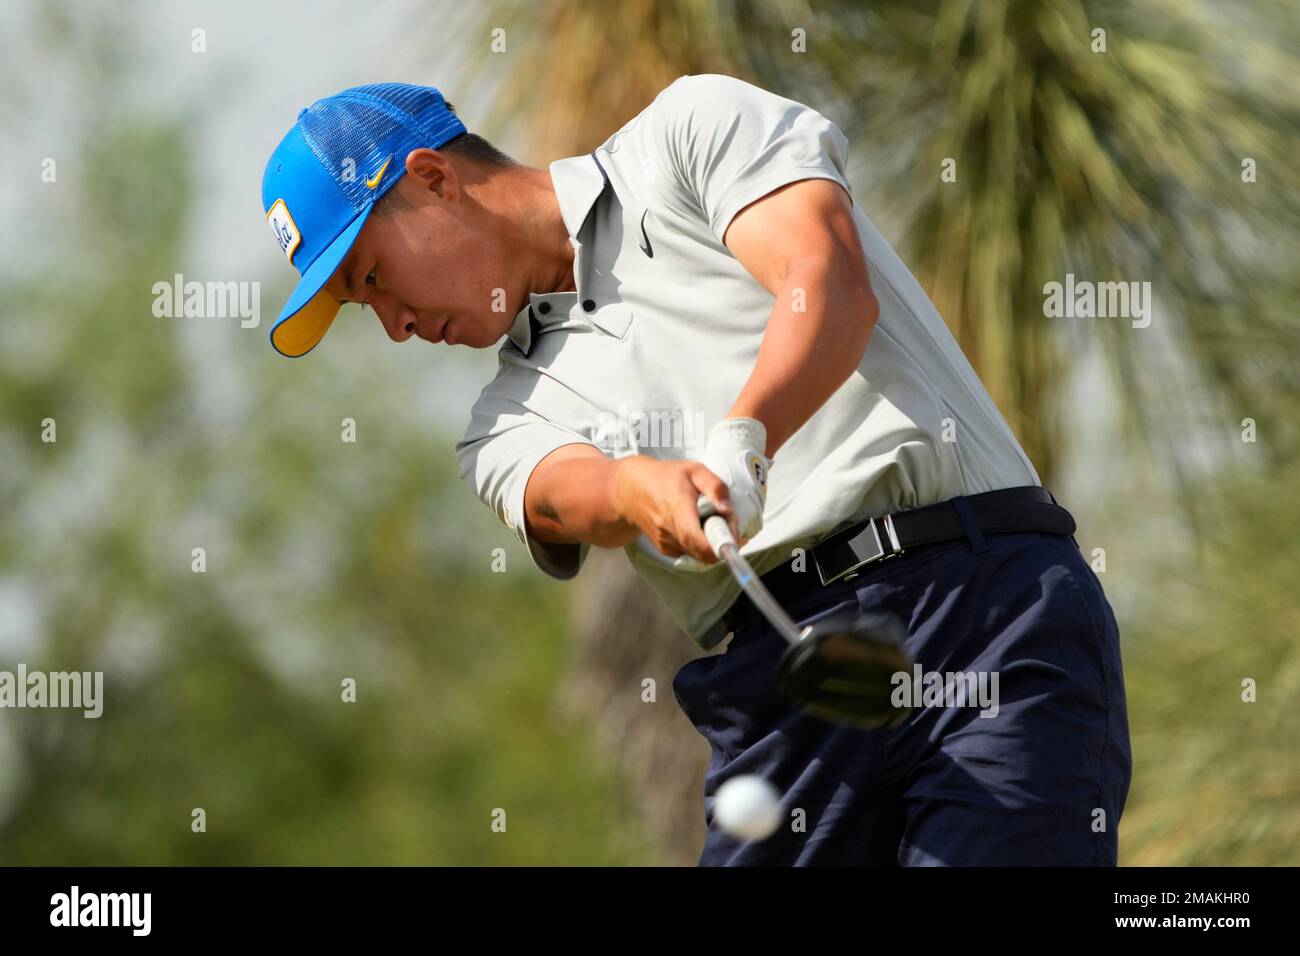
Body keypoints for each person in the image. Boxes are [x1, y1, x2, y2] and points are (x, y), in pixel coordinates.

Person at [259, 76, 1132, 865]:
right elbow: (575, 495)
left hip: (982, 609)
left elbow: (825, 283)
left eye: (373, 277)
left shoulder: (688, 132)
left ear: (433, 178)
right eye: (363, 307)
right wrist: (640, 487)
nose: (394, 326)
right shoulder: (499, 427)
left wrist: (743, 440)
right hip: (781, 685)